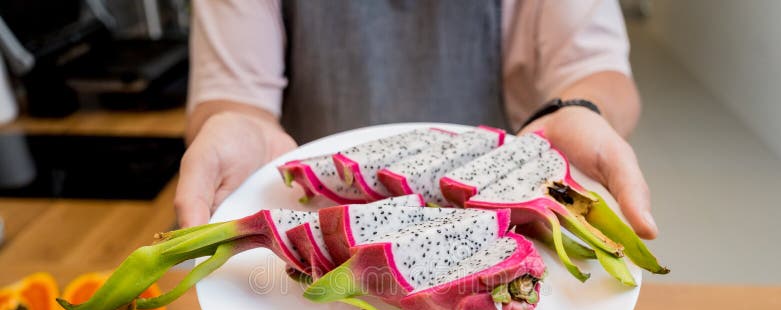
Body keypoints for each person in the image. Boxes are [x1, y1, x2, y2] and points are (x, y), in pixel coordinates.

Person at [176, 0, 658, 241]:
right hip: (312, 238)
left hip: (495, 230)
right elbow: (233, 91)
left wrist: (580, 110)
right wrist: (235, 125)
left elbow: (597, 70)